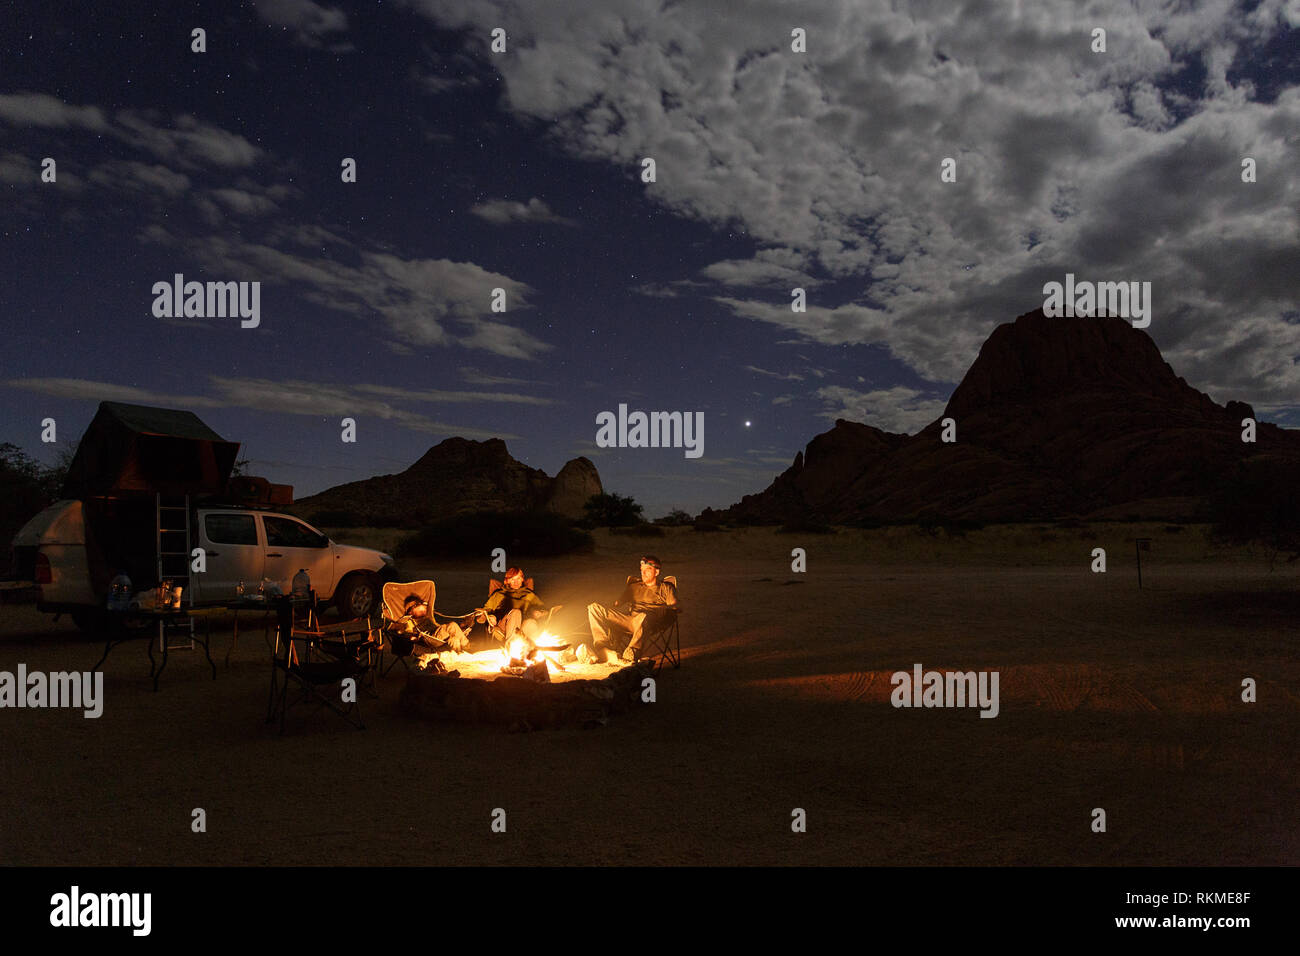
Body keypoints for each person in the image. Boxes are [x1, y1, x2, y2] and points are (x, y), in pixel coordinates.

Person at [584, 555, 677, 665]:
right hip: (629, 621)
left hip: (649, 623)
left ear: (656, 572)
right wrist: (609, 604)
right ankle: (603, 647)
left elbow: (674, 606)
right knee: (594, 608)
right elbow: (617, 603)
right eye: (642, 570)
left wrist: (663, 611)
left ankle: (631, 653)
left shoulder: (665, 588)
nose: (643, 573)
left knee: (643, 616)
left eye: (648, 570)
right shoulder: (634, 587)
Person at [474, 567, 548, 647]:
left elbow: (543, 608)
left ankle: (532, 649)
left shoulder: (529, 594)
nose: (516, 582)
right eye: (512, 579)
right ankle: (512, 646)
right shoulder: (499, 594)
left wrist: (541, 612)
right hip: (503, 626)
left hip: (522, 627)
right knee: (516, 612)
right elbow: (485, 610)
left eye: (518, 578)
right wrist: (490, 617)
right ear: (507, 580)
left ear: (522, 579)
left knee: (531, 622)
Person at [394, 593, 469, 671]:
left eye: (422, 607)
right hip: (429, 638)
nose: (422, 608)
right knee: (452, 625)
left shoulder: (427, 619)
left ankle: (459, 653)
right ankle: (467, 645)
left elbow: (437, 627)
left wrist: (458, 631)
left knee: (454, 639)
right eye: (417, 606)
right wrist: (412, 637)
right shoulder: (410, 621)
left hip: (437, 636)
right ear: (410, 612)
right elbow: (407, 632)